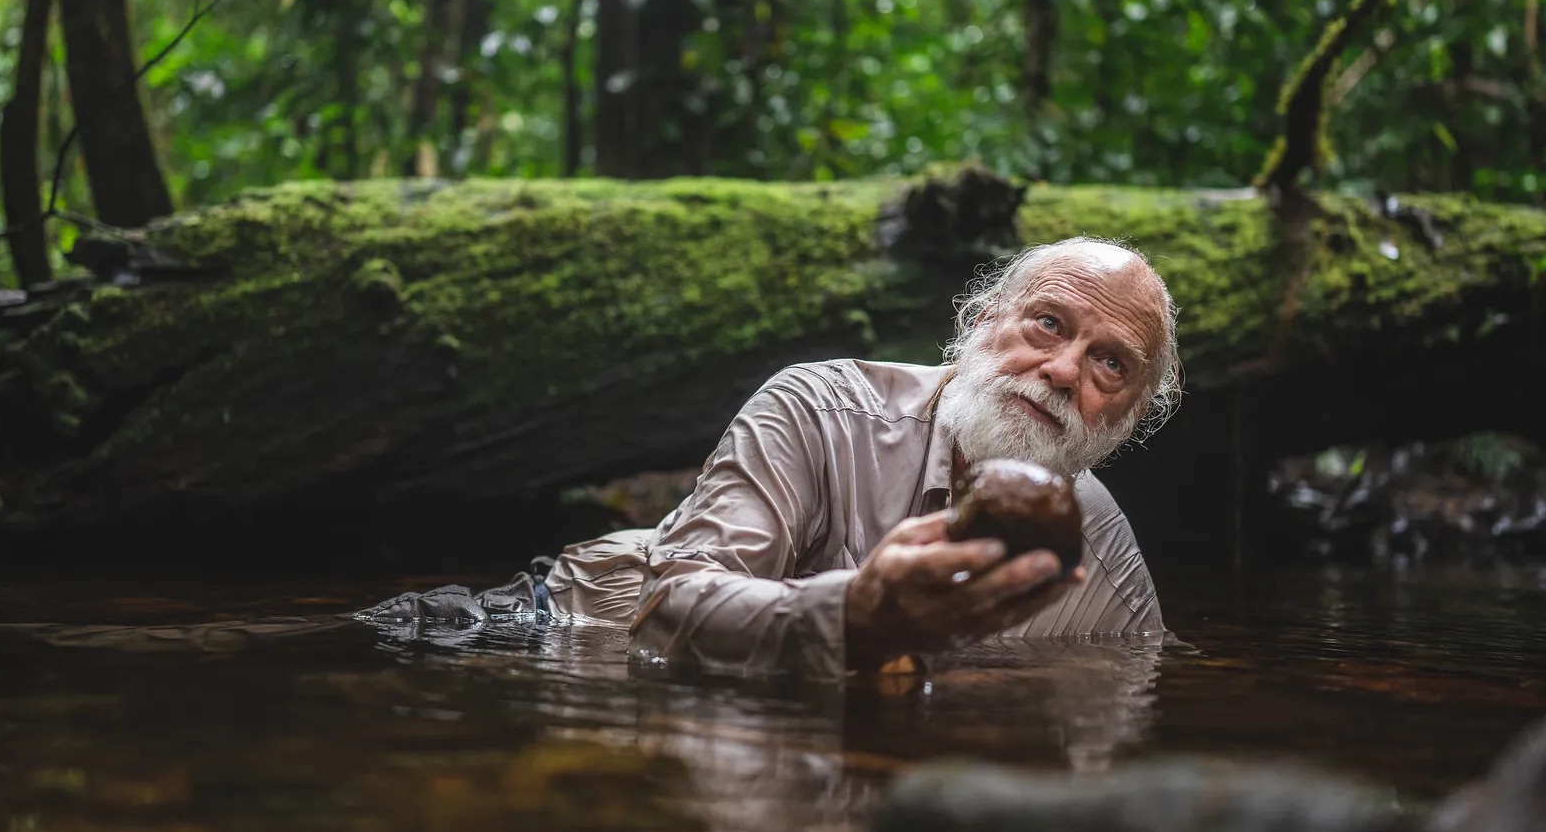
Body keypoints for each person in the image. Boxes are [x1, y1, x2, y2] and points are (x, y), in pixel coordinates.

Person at [361, 235, 1182, 680]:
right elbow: (670, 607)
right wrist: (858, 614)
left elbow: (1145, 692)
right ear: (983, 319)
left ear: (1132, 413)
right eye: (1047, 323)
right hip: (544, 629)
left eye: (1111, 362)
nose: (1065, 370)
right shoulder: (819, 409)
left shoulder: (1103, 559)